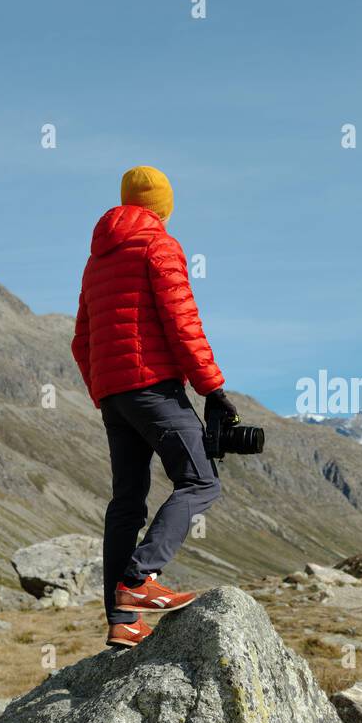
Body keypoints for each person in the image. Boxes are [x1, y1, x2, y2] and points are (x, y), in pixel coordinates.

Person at [71, 165, 239, 648]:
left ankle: (121, 618)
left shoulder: (97, 259)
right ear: (164, 206)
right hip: (154, 388)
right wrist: (212, 389)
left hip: (114, 395)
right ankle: (141, 579)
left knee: (127, 501)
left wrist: (102, 389)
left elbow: (81, 339)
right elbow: (181, 321)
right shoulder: (158, 246)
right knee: (201, 480)